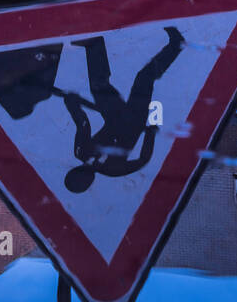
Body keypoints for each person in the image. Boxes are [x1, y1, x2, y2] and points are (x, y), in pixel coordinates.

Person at [63, 26, 185, 192]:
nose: (83, 176)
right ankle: (176, 45)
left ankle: (94, 45)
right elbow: (142, 160)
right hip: (134, 120)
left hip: (113, 116)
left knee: (99, 85)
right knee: (144, 78)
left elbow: (83, 124)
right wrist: (150, 134)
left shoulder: (81, 152)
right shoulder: (112, 170)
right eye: (81, 180)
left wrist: (72, 105)